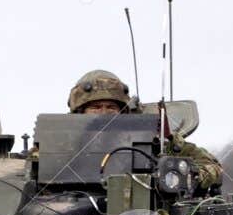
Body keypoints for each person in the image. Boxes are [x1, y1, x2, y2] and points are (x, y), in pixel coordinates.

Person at [66, 68, 224, 191]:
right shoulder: (62, 141)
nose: (104, 113)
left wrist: (185, 175)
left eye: (111, 107)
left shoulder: (149, 137)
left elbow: (212, 167)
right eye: (95, 107)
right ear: (80, 112)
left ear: (122, 112)